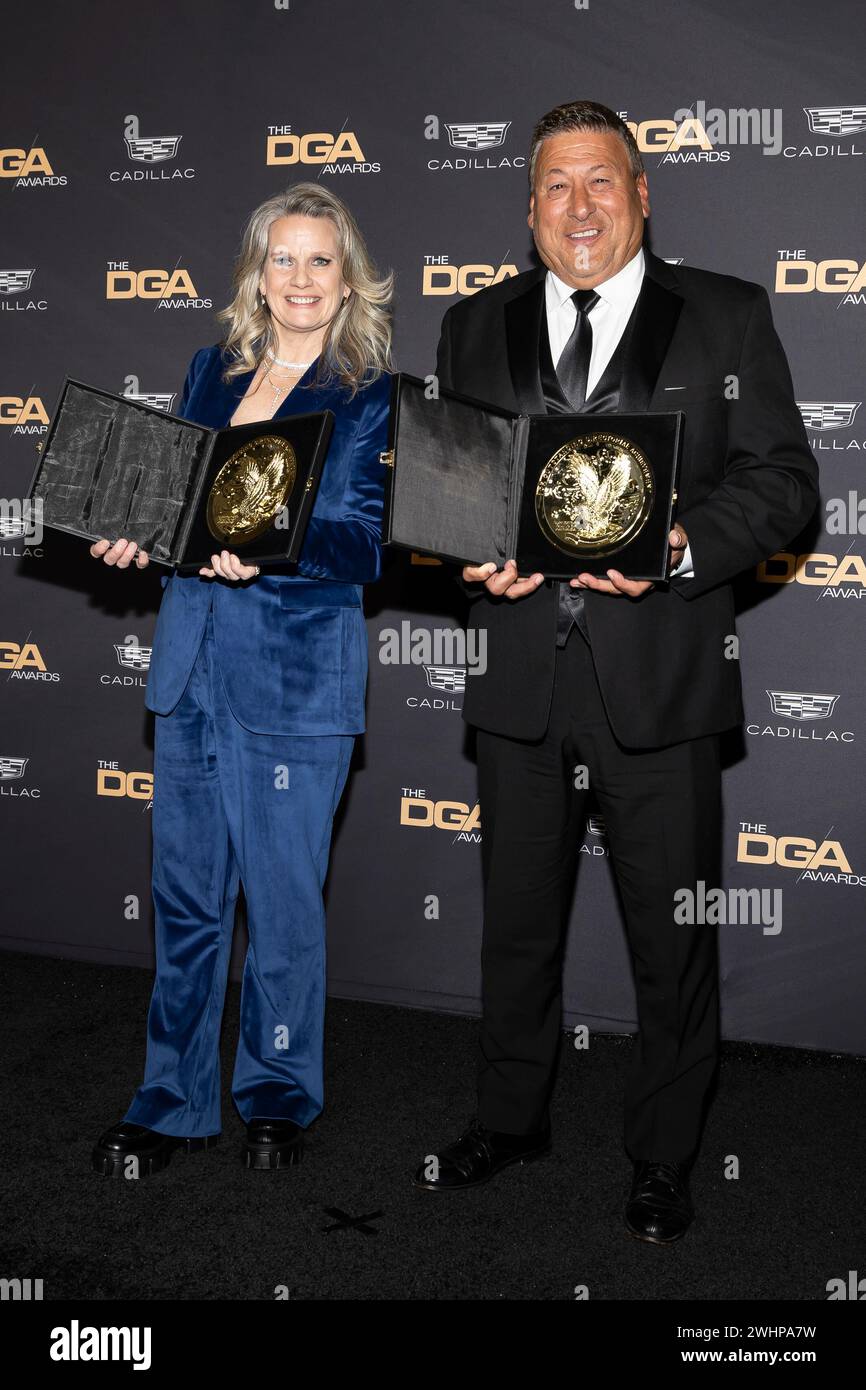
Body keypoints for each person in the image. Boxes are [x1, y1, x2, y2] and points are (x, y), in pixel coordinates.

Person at [413, 101, 819, 1243]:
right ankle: (509, 1115)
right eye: (554, 187)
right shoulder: (470, 324)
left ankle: (663, 1152)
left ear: (642, 194)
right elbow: (459, 488)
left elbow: (784, 481)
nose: (578, 207)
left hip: (662, 674)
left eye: (600, 183)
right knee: (516, 925)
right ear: (528, 207)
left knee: (670, 934)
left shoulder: (727, 316)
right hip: (518, 676)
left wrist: (678, 544)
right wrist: (467, 555)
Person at [90, 182, 393, 1175]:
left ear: (346, 279)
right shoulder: (207, 371)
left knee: (283, 901)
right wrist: (146, 537)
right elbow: (179, 504)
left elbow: (360, 544)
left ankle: (276, 1091)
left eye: (318, 259)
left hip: (294, 681)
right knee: (183, 901)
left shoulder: (369, 393)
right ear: (255, 276)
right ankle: (170, 1098)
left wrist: (266, 543)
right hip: (191, 672)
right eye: (281, 259)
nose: (298, 278)